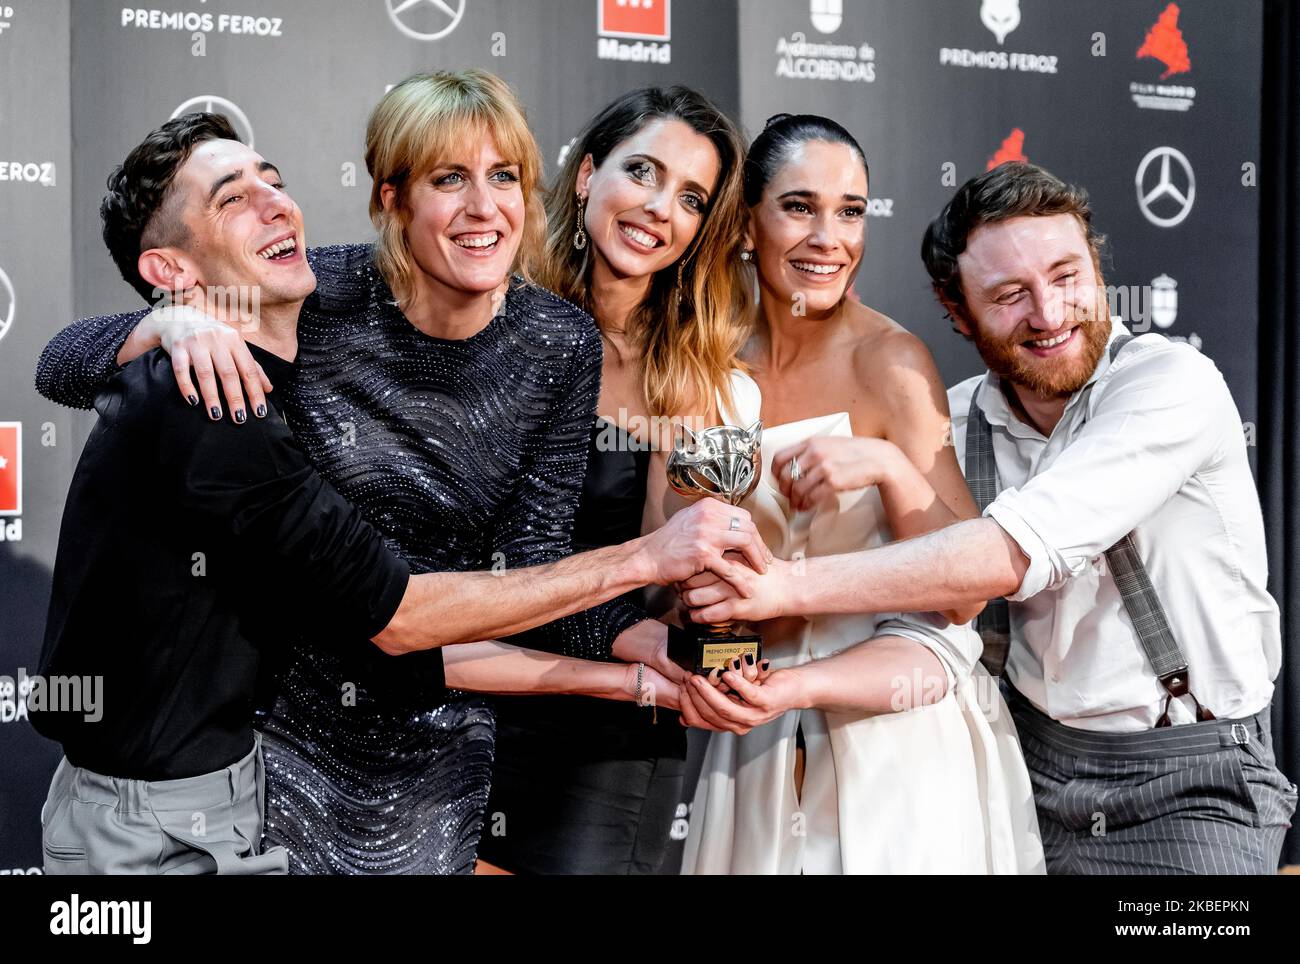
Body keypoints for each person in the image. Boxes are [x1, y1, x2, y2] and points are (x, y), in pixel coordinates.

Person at [32, 73, 766, 875]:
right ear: (392, 198)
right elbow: (61, 362)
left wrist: (651, 649)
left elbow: (532, 570)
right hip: (275, 752)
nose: (484, 207)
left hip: (437, 750)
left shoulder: (558, 343)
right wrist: (169, 322)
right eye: (450, 179)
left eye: (504, 177)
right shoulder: (314, 292)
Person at [680, 161, 1298, 875]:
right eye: (1010, 295)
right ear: (958, 311)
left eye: (1066, 276)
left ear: (1097, 268)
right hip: (1022, 767)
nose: (1050, 313)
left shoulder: (1170, 385)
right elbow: (929, 615)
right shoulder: (951, 419)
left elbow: (1001, 557)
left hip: (1187, 781)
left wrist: (783, 585)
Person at [669, 114, 1043, 874]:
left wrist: (888, 466)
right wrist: (696, 600)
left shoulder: (892, 361)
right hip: (754, 733)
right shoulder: (704, 365)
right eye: (799, 207)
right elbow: (674, 571)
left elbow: (965, 596)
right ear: (746, 224)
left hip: (895, 742)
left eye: (850, 212)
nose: (828, 238)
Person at [475, 85, 753, 875]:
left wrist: (723, 643)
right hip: (453, 699)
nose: (661, 209)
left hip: (604, 733)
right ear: (587, 173)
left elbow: (690, 593)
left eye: (691, 198)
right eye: (643, 172)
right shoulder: (487, 316)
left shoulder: (701, 380)